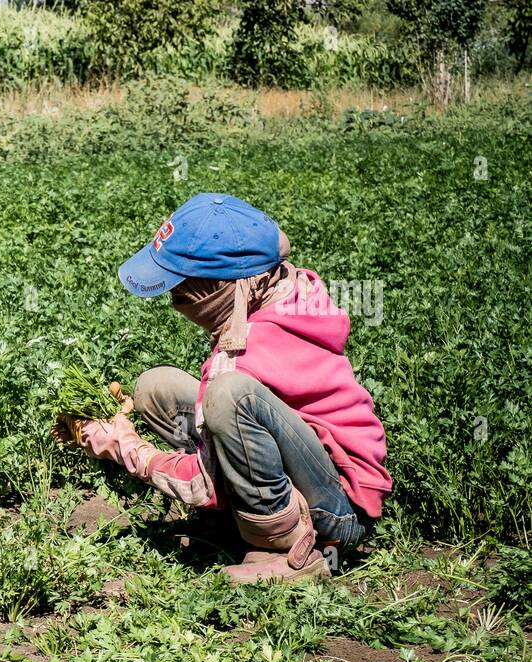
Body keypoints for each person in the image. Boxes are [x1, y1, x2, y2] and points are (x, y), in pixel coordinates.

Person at [56, 193, 391, 583]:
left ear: (224, 287)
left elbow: (201, 480)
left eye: (182, 289)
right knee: (155, 388)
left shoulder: (244, 352)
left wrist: (121, 446)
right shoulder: (290, 291)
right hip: (313, 468)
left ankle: (284, 546)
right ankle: (245, 514)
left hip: (337, 512)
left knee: (230, 396)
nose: (173, 300)